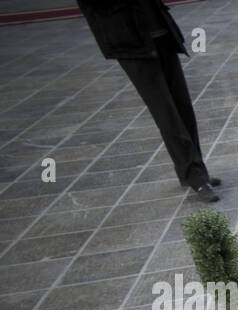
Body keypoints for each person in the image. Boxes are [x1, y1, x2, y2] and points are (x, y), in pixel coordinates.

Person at [77, 0, 220, 201]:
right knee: (165, 111)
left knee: (183, 106)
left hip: (161, 32)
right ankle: (194, 175)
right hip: (130, 40)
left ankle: (195, 170)